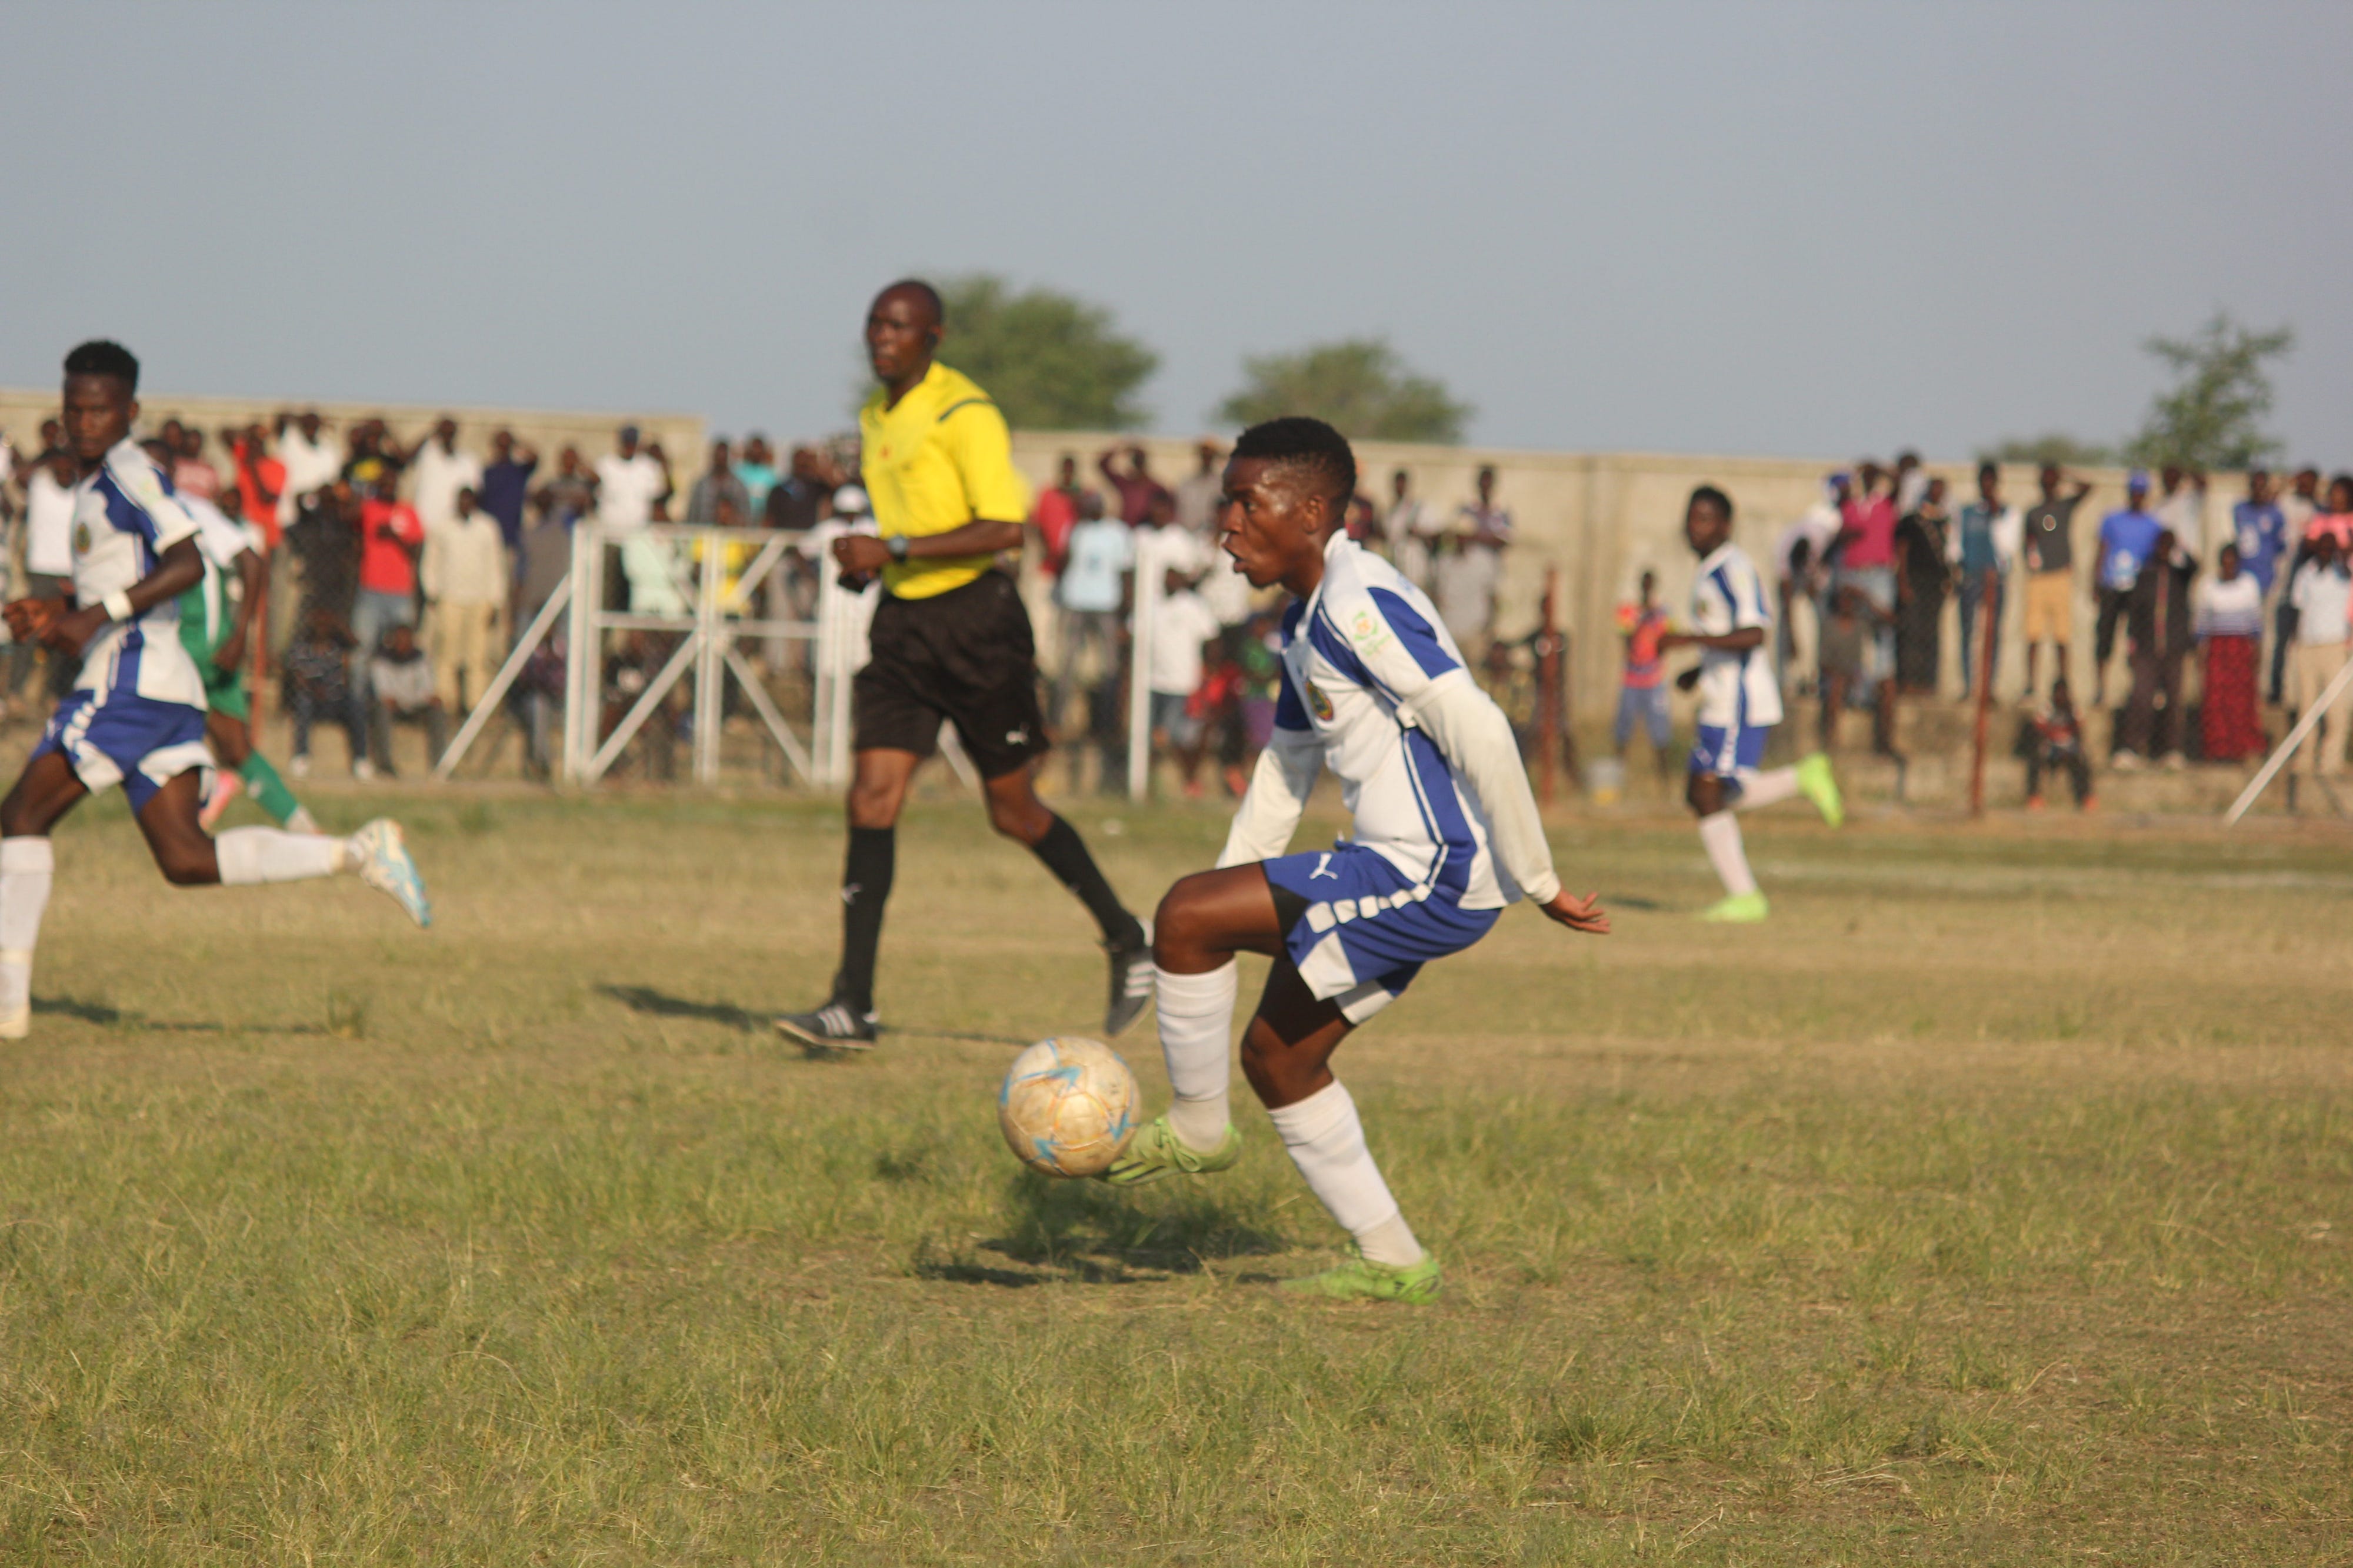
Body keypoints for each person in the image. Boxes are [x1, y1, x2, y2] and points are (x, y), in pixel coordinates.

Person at [1098, 416, 1611, 1304]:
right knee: (1278, 1057)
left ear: (1308, 511)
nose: (1225, 525)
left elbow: (1481, 725)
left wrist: (1539, 879)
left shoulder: (1357, 597)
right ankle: (1393, 1260)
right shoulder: (1308, 617)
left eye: (1244, 505)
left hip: (1431, 870)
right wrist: (1214, 907)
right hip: (1407, 868)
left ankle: (1196, 1128)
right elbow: (1288, 765)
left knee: (1186, 916)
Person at [0, 342, 428, 1040]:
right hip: (165, 687)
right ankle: (356, 851)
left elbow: (187, 563)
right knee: (186, 858)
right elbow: (121, 584)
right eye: (73, 407)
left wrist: (91, 616)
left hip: (130, 683)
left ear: (129, 412)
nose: (83, 421)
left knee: (20, 815)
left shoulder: (127, 471)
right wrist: (56, 614)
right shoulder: (95, 484)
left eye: (99, 409)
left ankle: (7, 1007)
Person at [774, 281, 1153, 1050]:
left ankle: (1126, 937)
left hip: (980, 627)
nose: (883, 336)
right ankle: (854, 1005)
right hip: (904, 627)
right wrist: (873, 565)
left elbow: (1003, 529)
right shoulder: (877, 415)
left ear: (933, 337)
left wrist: (896, 549)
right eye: (875, 322)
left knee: (1012, 812)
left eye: (899, 326)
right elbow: (911, 520)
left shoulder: (966, 412)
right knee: (871, 796)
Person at [1660, 485, 1845, 922]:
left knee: (1707, 793)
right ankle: (1802, 777)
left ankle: (1747, 896)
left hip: (1739, 700)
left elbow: (1754, 633)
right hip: (1720, 694)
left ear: (1725, 525)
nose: (1693, 527)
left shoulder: (1732, 568)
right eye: (1691, 517)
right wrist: (1698, 667)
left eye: (1704, 519)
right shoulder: (1709, 570)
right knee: (1705, 792)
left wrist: (1689, 640)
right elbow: (1727, 637)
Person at [1051, 491, 1133, 785]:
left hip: (1106, 605)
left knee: (1109, 669)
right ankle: (1057, 721)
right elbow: (1063, 562)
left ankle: (1107, 724)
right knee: (1066, 666)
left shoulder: (1118, 533)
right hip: (1075, 602)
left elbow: (1126, 572)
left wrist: (1126, 612)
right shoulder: (1076, 529)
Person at [2113, 528, 2197, 770]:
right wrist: (2132, 642)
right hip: (2147, 647)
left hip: (2174, 647)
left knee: (2174, 700)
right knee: (2141, 697)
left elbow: (2195, 566)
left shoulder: (2180, 575)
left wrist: (2179, 547)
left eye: (2167, 545)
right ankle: (2131, 747)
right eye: (2161, 545)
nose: (2163, 550)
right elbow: (2135, 610)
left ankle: (2172, 750)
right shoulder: (2145, 574)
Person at [422, 485, 508, 713]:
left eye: (469, 501)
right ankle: (446, 702)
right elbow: (430, 561)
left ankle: (475, 705)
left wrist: (496, 600)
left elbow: (495, 564)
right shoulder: (443, 527)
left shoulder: (487, 527)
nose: (465, 505)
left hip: (480, 600)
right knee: (446, 654)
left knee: (477, 656)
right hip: (449, 598)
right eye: (462, 500)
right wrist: (433, 593)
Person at [1145, 568, 1222, 798]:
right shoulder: (1152, 604)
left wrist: (1208, 676)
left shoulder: (1193, 606)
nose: (1169, 581)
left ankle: (1187, 781)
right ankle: (1150, 783)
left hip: (1182, 684)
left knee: (1173, 735)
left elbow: (1211, 640)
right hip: (1151, 683)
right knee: (1155, 735)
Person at [1950, 462, 2022, 699]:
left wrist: (1996, 516)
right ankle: (1968, 686)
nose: (1987, 486)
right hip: (1971, 578)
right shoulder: (1966, 512)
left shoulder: (2008, 513)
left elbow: (2008, 549)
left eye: (1991, 481)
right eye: (1984, 481)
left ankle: (1988, 687)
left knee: (1993, 633)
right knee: (1968, 632)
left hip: (1995, 580)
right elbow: (1955, 547)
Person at [2020, 464, 2092, 699]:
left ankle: (2063, 682)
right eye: (2046, 480)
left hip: (2061, 577)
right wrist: (2030, 561)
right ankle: (2031, 683)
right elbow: (2026, 543)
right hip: (2038, 579)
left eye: (2053, 480)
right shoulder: (2033, 513)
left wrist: (2066, 473)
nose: (2049, 484)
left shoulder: (2065, 507)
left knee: (2062, 636)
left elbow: (2088, 488)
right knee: (2033, 634)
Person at [2285, 530, 2353, 780]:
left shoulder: (2343, 574)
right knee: (2307, 706)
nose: (2325, 552)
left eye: (2330, 548)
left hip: (2334, 647)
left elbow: (2348, 573)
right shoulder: (2306, 574)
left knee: (2337, 709)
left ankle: (2330, 761)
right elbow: (2297, 610)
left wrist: (2343, 555)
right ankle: (2305, 758)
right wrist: (2294, 644)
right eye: (2322, 548)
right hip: (2308, 646)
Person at [2092, 472, 2162, 708]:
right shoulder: (2112, 520)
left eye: (2142, 492)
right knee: (2104, 639)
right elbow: (2102, 549)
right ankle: (2101, 689)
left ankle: (2136, 689)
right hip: (2112, 586)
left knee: (2136, 642)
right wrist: (2096, 580)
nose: (2138, 496)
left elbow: (2154, 560)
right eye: (2135, 492)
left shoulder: (2154, 524)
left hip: (2138, 591)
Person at [2195, 542, 2265, 764]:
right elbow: (2202, 625)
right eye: (2225, 560)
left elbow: (2256, 625)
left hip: (2241, 649)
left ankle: (2241, 748)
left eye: (2232, 560)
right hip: (2218, 649)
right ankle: (2218, 749)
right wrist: (2201, 654)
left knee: (2241, 699)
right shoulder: (2208, 586)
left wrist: (2257, 653)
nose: (2229, 565)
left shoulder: (2249, 585)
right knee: (2216, 700)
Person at [282, 606, 364, 778]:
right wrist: (315, 690)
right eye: (319, 624)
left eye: (326, 624)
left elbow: (357, 645)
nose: (323, 628)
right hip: (313, 699)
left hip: (335, 700)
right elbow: (299, 679)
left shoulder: (337, 648)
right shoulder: (301, 649)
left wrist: (340, 625)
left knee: (355, 704)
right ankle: (301, 757)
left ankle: (360, 760)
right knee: (303, 702)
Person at [1892, 475, 1950, 694]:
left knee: (1930, 633)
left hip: (1934, 585)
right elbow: (1902, 551)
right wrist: (1903, 581)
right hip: (1914, 580)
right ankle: (1908, 681)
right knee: (1911, 632)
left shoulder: (1943, 521)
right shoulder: (1911, 521)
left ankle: (1927, 682)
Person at [366, 621, 447, 775]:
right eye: (399, 639)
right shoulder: (381, 661)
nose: (402, 643)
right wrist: (399, 700)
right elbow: (384, 693)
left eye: (406, 639)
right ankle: (385, 764)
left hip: (416, 705)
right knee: (380, 709)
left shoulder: (421, 659)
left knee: (437, 709)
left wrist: (420, 699)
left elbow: (427, 690)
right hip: (393, 708)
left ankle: (439, 764)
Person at [1612, 569, 1672, 772]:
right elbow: (1627, 640)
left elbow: (1666, 642)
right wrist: (1642, 619)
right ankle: (1618, 772)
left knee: (1660, 731)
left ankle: (1663, 777)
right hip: (1631, 679)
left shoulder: (1663, 613)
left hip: (1654, 680)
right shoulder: (1629, 612)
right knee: (1623, 728)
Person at [2025, 680, 2094, 811]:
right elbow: (2039, 727)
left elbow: (2079, 728)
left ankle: (2086, 797)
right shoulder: (2047, 708)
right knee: (2035, 760)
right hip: (2051, 747)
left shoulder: (2073, 709)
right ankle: (2034, 796)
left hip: (2069, 747)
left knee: (2082, 762)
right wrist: (2054, 734)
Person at [408, 416, 479, 532]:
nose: (447, 436)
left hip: (455, 530)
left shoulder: (468, 461)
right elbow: (407, 457)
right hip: (426, 525)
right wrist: (430, 434)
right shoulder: (427, 457)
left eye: (450, 433)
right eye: (443, 432)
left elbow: (475, 495)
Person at [478, 429, 539, 562]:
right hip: (490, 537)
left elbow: (535, 458)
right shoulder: (488, 472)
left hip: (512, 536)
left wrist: (518, 444)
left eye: (507, 445)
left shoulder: (519, 471)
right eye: (501, 445)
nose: (503, 449)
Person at [1096, 443, 1167, 526]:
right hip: (1126, 528)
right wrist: (1118, 449)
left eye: (1140, 462)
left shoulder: (1154, 487)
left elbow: (1167, 506)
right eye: (1137, 462)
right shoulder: (1125, 484)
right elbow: (1103, 465)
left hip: (1145, 531)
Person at [685, 437, 749, 524]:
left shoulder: (738, 487)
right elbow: (692, 515)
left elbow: (745, 516)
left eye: (724, 455)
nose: (721, 458)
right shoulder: (701, 485)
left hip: (732, 535)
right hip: (703, 534)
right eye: (718, 455)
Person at [2154, 465, 2208, 561]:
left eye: (2174, 477)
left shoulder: (2189, 500)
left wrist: (2188, 472)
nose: (2171, 481)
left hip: (2187, 559)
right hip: (2168, 561)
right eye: (2168, 478)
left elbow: (2202, 484)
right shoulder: (2158, 508)